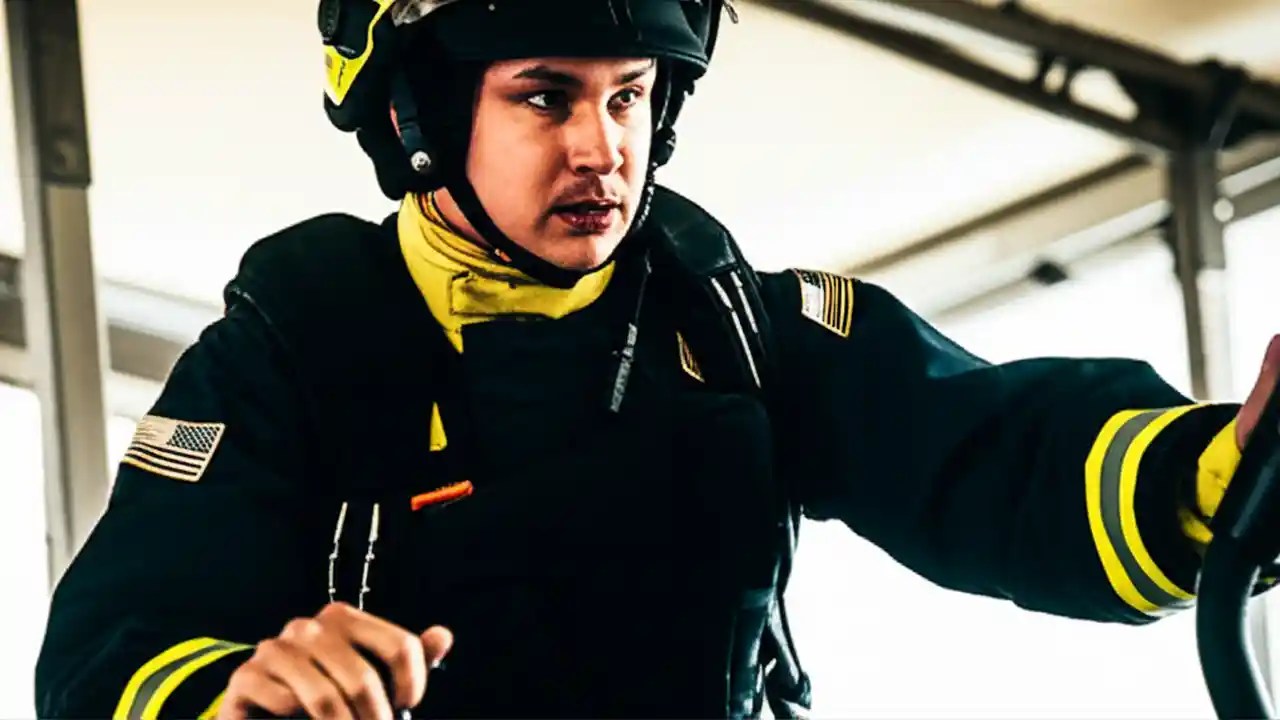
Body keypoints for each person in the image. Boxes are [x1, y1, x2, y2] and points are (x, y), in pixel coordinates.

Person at [34, 0, 1280, 718]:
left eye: (630, 95)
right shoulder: (293, 351)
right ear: (415, 112)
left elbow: (998, 455)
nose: (601, 147)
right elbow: (107, 659)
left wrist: (1229, 470)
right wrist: (242, 697)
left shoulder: (738, 327)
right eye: (545, 95)